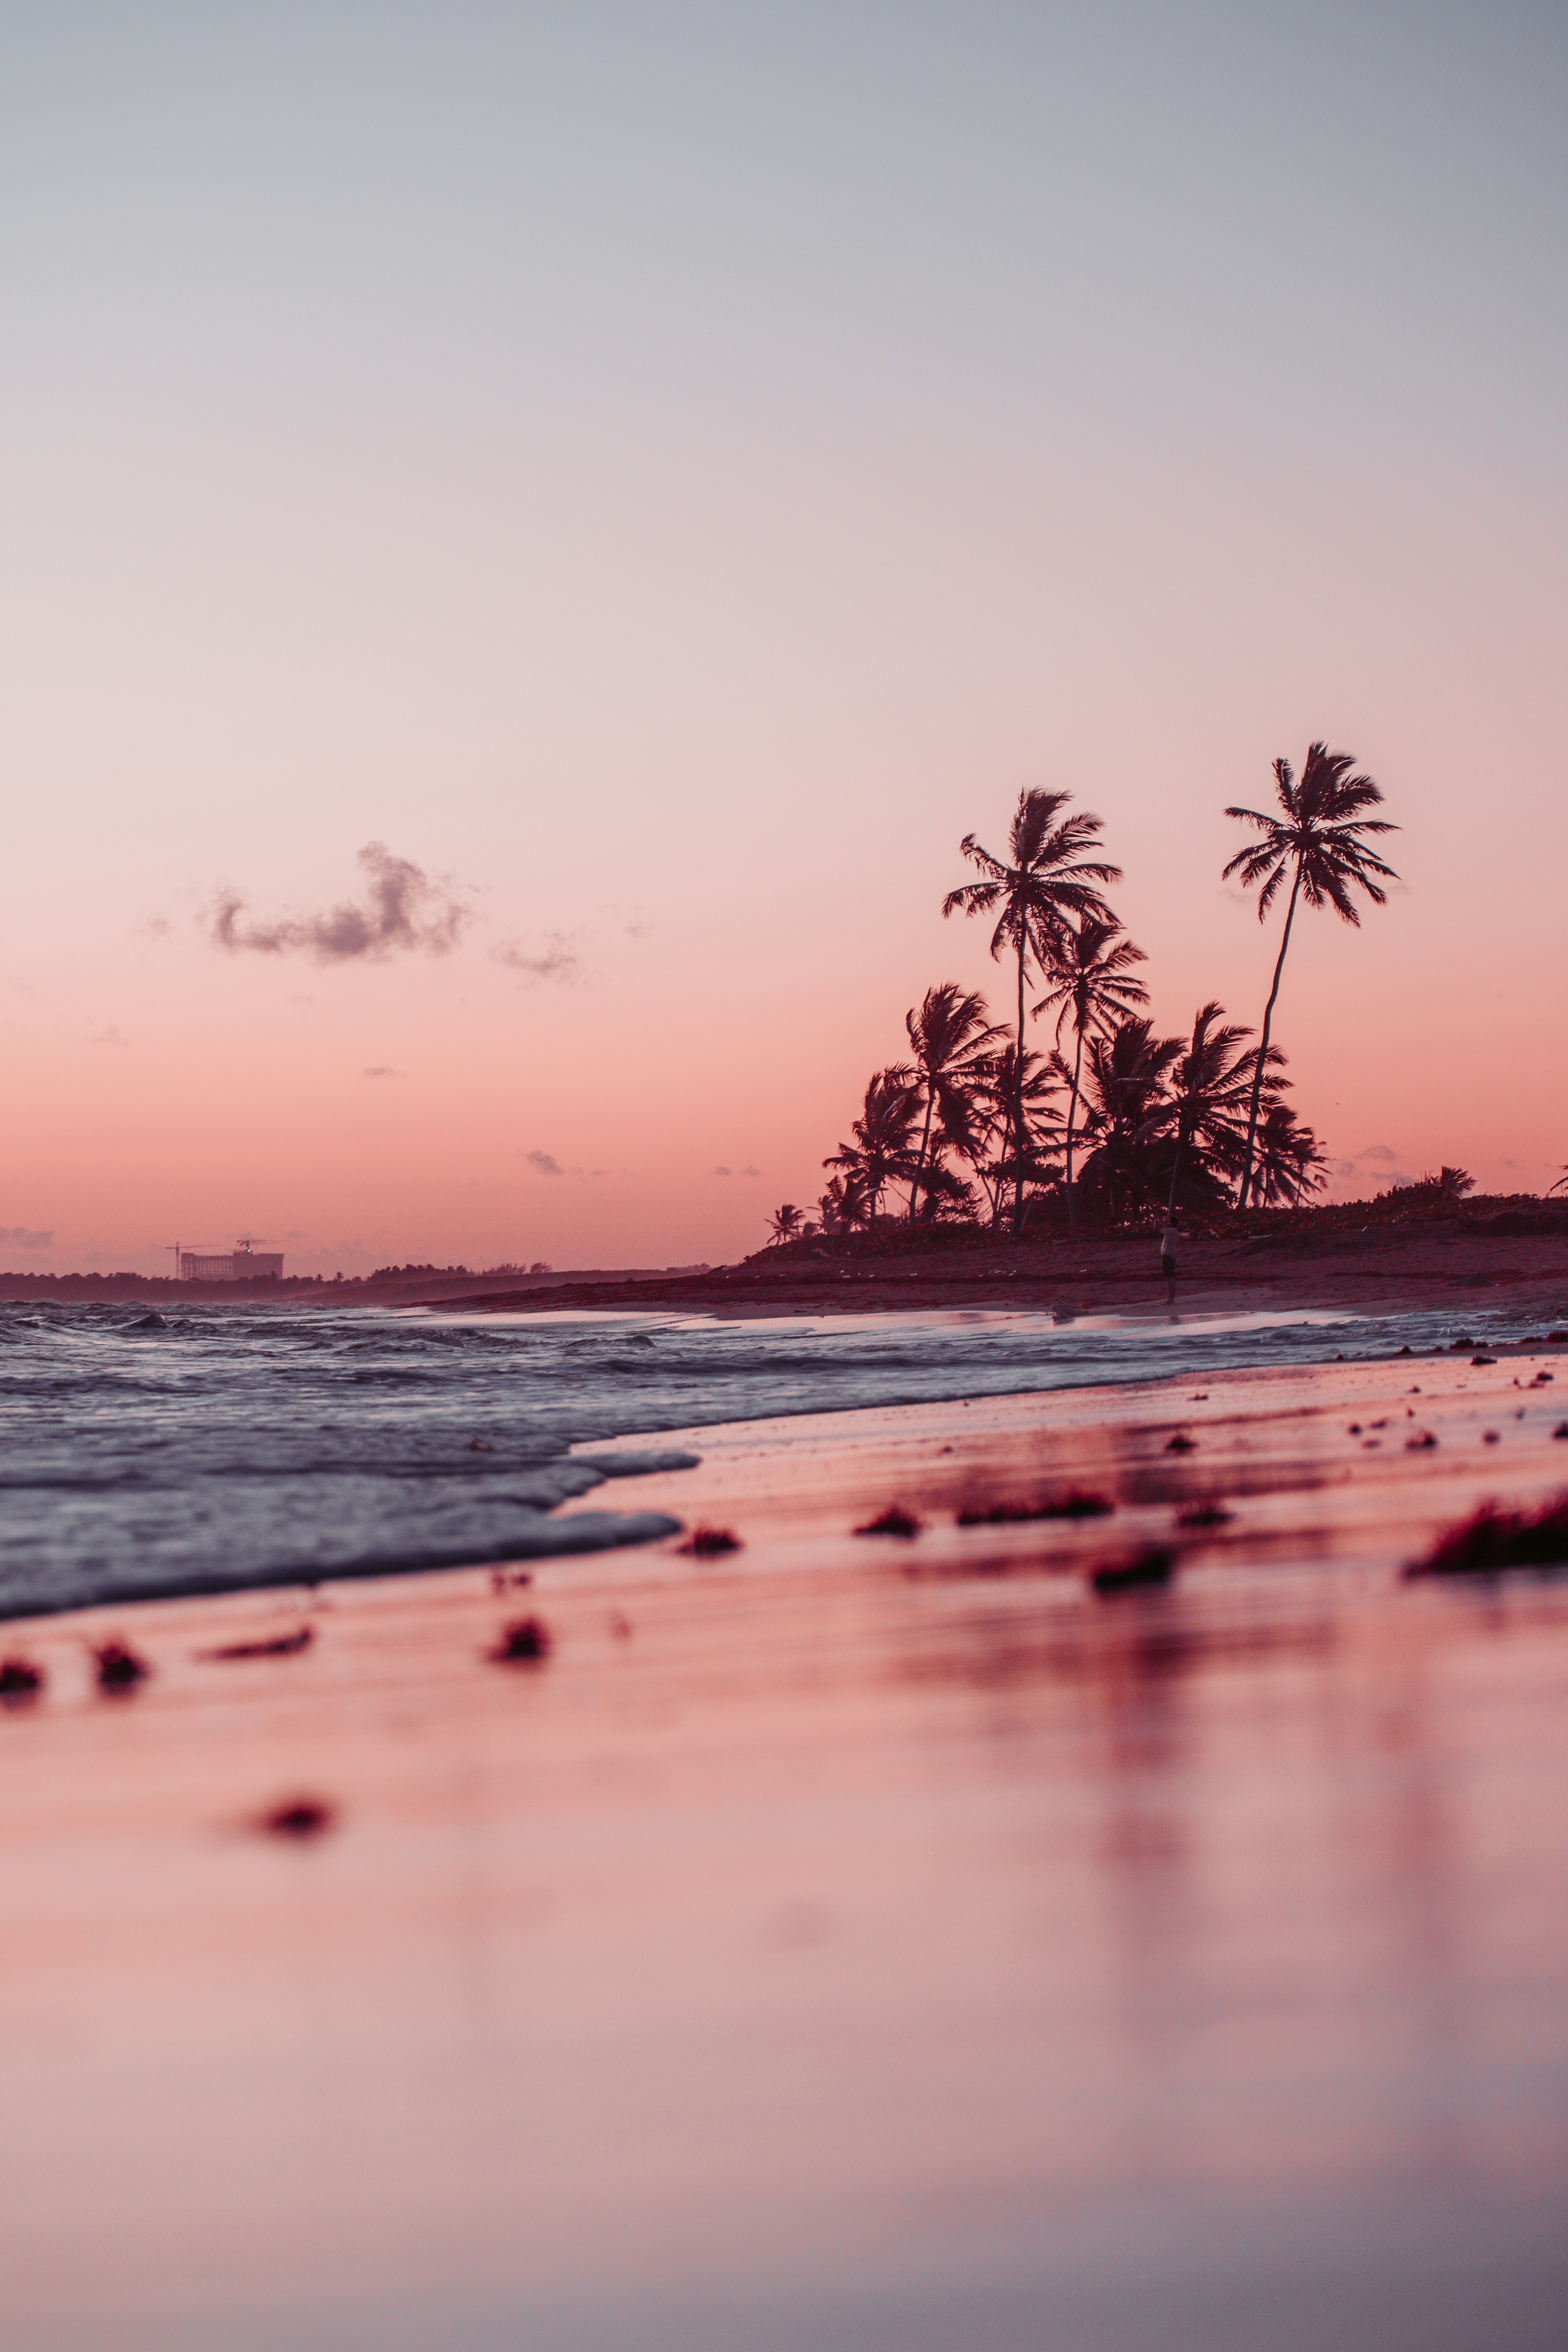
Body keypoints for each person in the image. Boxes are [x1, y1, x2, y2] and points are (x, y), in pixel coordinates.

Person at [1159, 1217, 1181, 1305]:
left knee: (1170, 1278)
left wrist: (1158, 1218)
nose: (1167, 1223)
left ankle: (1171, 1299)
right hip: (1168, 1256)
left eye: (1169, 1222)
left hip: (1169, 1256)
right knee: (1170, 1278)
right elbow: (1160, 1228)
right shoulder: (1171, 1231)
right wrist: (1156, 1218)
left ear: (1171, 1223)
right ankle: (1171, 1299)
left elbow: (1161, 1227)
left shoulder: (1172, 1231)